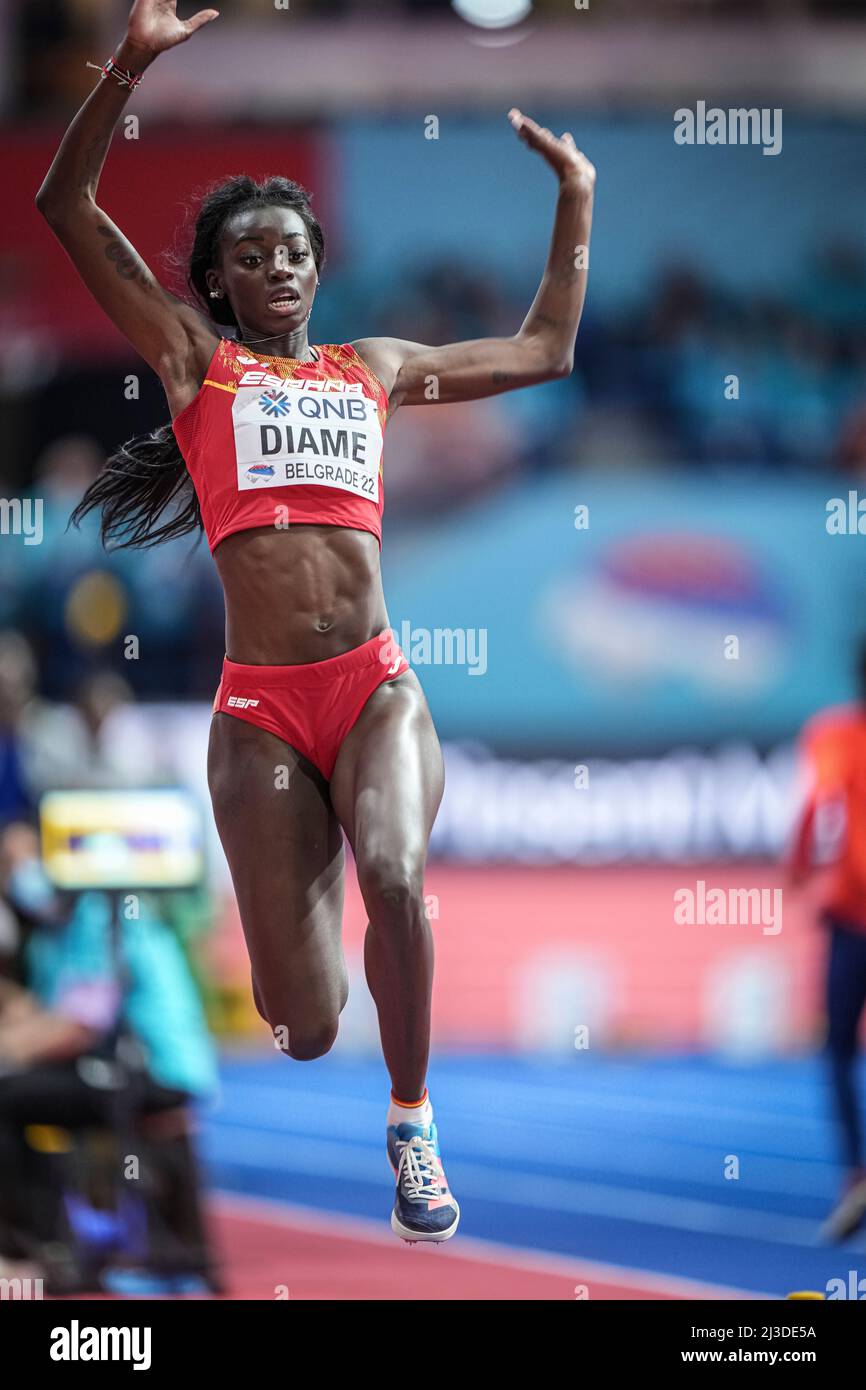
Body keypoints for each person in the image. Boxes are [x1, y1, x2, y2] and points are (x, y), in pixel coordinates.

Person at [35, 0, 595, 1242]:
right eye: (251, 254)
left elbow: (546, 346)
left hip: (374, 685)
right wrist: (126, 65)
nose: (277, 267)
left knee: (396, 873)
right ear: (222, 279)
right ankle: (315, 879)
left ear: (316, 265)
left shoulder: (377, 368)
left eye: (294, 250)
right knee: (302, 1027)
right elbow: (63, 209)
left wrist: (575, 194)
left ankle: (410, 1123)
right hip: (260, 718)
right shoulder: (196, 365)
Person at [0, 822, 220, 1292]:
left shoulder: (106, 914)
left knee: (9, 1097)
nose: (17, 876)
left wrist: (13, 1046)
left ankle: (34, 1251)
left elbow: (80, 1025)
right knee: (20, 1093)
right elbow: (55, 1013)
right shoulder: (69, 923)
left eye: (18, 863)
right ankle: (54, 1240)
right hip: (122, 1063)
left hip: (156, 1069)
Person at [788, 641, 866, 1240]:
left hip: (852, 913)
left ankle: (855, 1177)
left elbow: (819, 802)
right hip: (848, 911)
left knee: (838, 1048)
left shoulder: (835, 734)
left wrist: (797, 867)